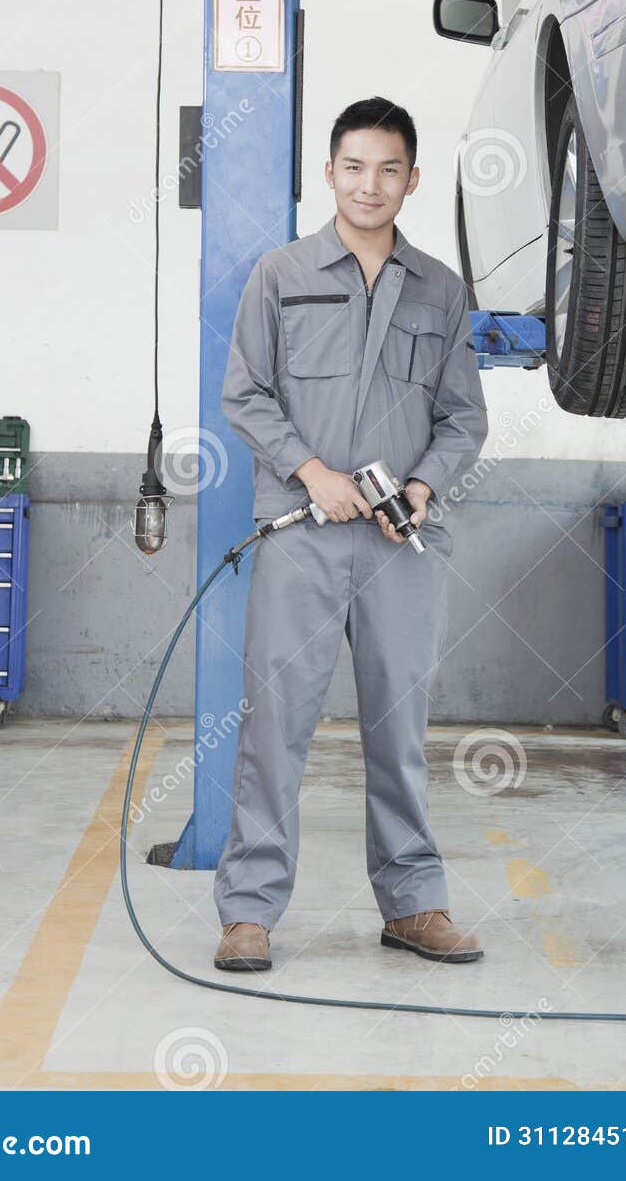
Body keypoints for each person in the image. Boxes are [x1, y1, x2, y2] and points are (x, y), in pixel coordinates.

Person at [213, 95, 489, 971]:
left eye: (389, 169)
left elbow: (462, 420)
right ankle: (249, 910)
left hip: (400, 543)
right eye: (354, 166)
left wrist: (417, 486)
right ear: (329, 173)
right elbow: (244, 395)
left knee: (398, 729)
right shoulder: (281, 274)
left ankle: (412, 903)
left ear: (410, 179)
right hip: (301, 532)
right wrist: (314, 473)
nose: (370, 184)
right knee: (275, 726)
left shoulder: (441, 292)